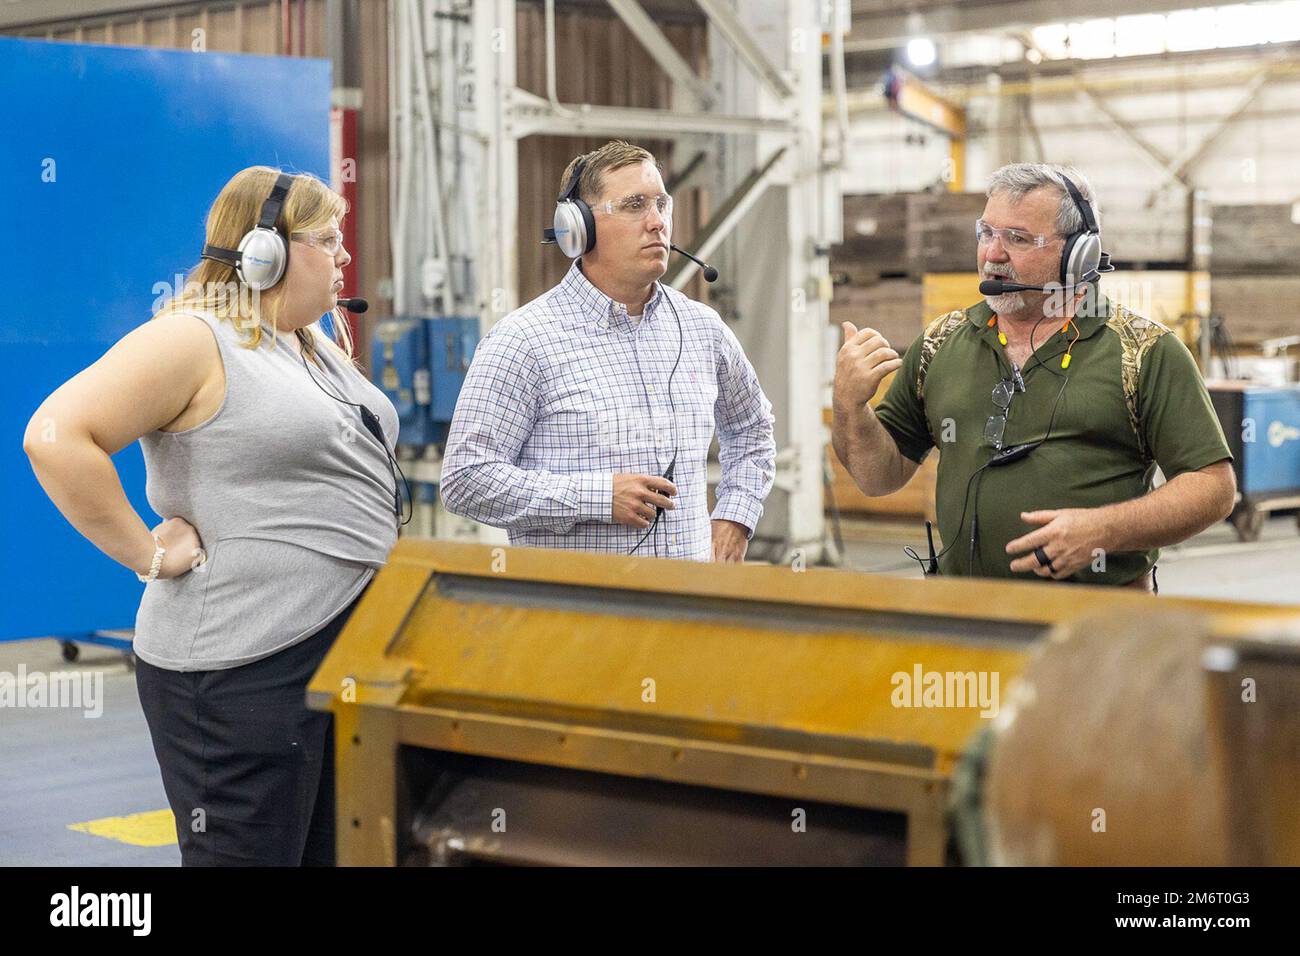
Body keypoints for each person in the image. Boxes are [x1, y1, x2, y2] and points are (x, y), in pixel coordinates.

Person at [23, 166, 400, 864]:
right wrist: (147, 554)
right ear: (268, 253)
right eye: (328, 238)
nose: (345, 255)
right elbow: (55, 436)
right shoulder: (194, 339)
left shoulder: (309, 344)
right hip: (242, 665)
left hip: (337, 652)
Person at [831, 163, 1235, 588]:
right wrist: (851, 407)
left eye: (1017, 239)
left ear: (1079, 255)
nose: (993, 254)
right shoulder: (940, 343)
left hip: (1094, 626)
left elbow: (1213, 487)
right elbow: (878, 477)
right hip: (963, 617)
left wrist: (1102, 531)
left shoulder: (1145, 352)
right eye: (986, 233)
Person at [441, 140, 776, 562]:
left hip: (688, 608)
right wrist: (597, 496)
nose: (657, 223)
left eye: (661, 204)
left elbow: (752, 428)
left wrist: (735, 515)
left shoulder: (702, 329)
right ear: (577, 228)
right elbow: (466, 481)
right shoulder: (523, 341)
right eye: (635, 205)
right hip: (579, 617)